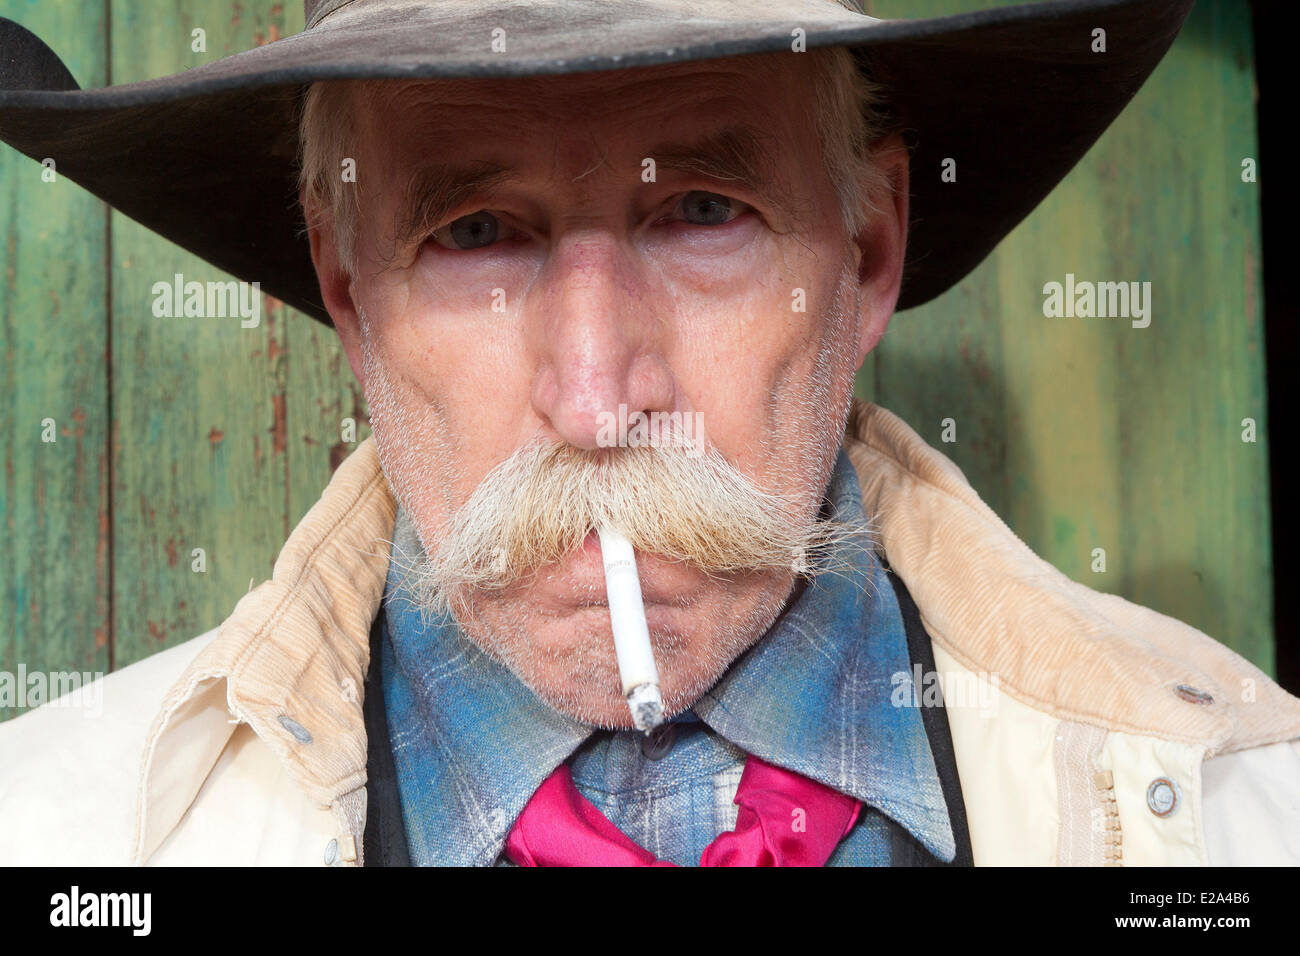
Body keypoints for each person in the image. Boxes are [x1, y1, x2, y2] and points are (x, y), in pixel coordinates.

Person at [1, 0, 1295, 866]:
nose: (599, 399)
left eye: (701, 213)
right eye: (473, 235)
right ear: (347, 292)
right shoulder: (53, 834)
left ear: (867, 250)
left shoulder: (1250, 809)